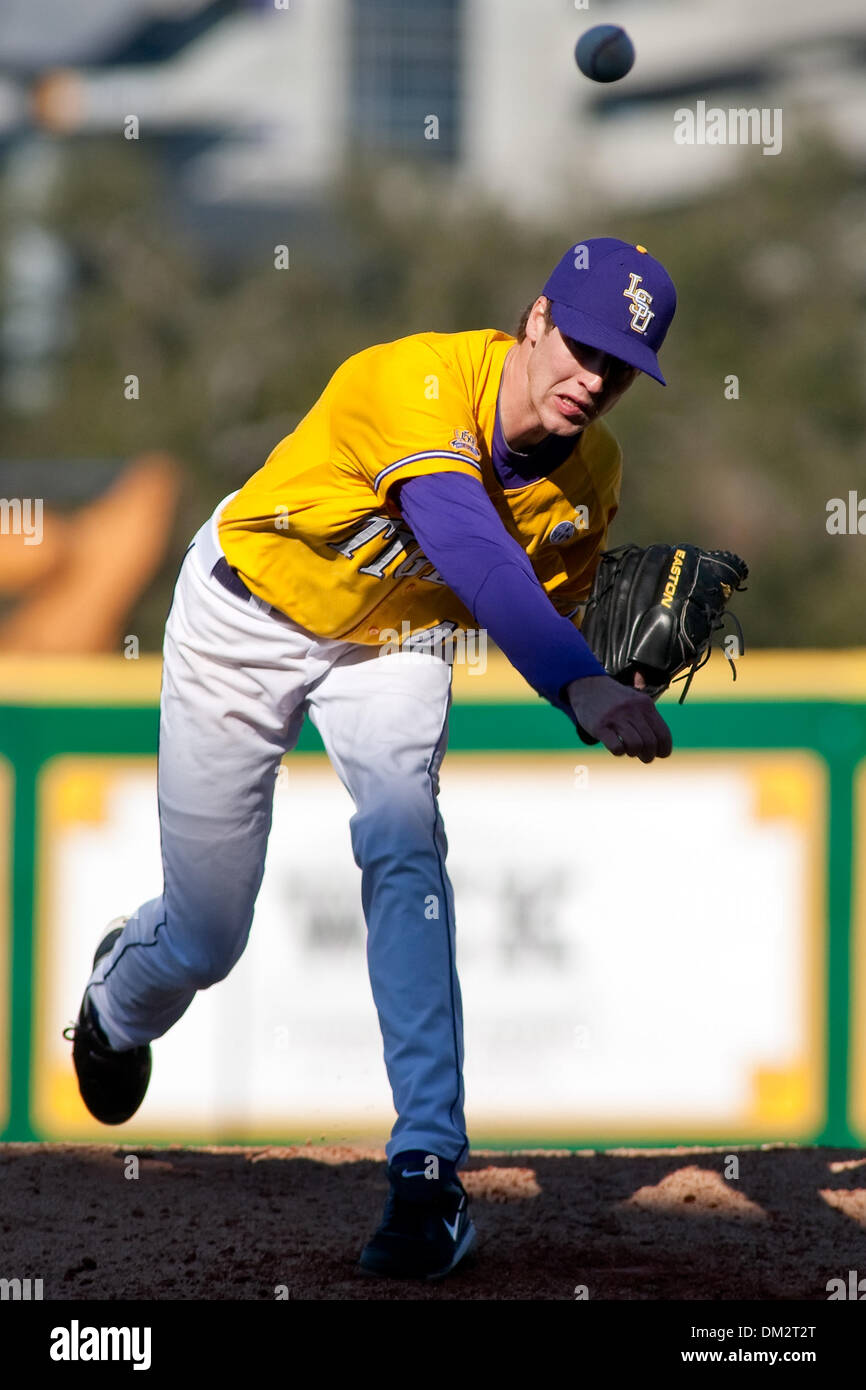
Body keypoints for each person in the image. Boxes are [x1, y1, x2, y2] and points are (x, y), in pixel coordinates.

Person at [65, 237, 676, 1281]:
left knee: (404, 853)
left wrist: (620, 675)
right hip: (245, 617)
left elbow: (553, 608)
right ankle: (116, 1003)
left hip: (396, 648)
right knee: (208, 936)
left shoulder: (592, 474)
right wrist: (572, 679)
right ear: (533, 321)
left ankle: (427, 1172)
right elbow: (475, 553)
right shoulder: (411, 380)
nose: (591, 378)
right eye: (580, 346)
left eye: (618, 366)